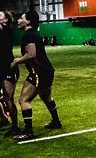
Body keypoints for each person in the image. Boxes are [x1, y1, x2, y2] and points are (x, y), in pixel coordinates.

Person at [10, 9, 61, 141]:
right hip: (47, 71)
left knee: (24, 100)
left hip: (39, 72)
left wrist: (17, 61)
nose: (18, 20)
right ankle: (56, 121)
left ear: (28, 21)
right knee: (46, 97)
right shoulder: (34, 33)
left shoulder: (29, 35)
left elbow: (31, 54)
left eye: (21, 18)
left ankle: (28, 131)